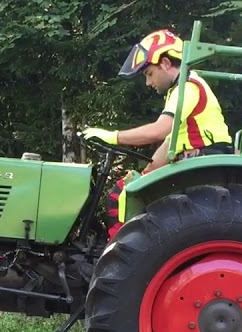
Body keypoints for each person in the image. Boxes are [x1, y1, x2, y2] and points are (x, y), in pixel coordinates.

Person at [82, 29, 233, 237]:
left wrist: (114, 136)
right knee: (124, 189)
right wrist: (145, 175)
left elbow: (160, 130)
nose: (148, 82)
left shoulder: (188, 87)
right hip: (199, 156)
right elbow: (171, 141)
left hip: (207, 157)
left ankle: (121, 255)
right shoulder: (181, 89)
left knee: (122, 196)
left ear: (165, 63)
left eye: (149, 73)